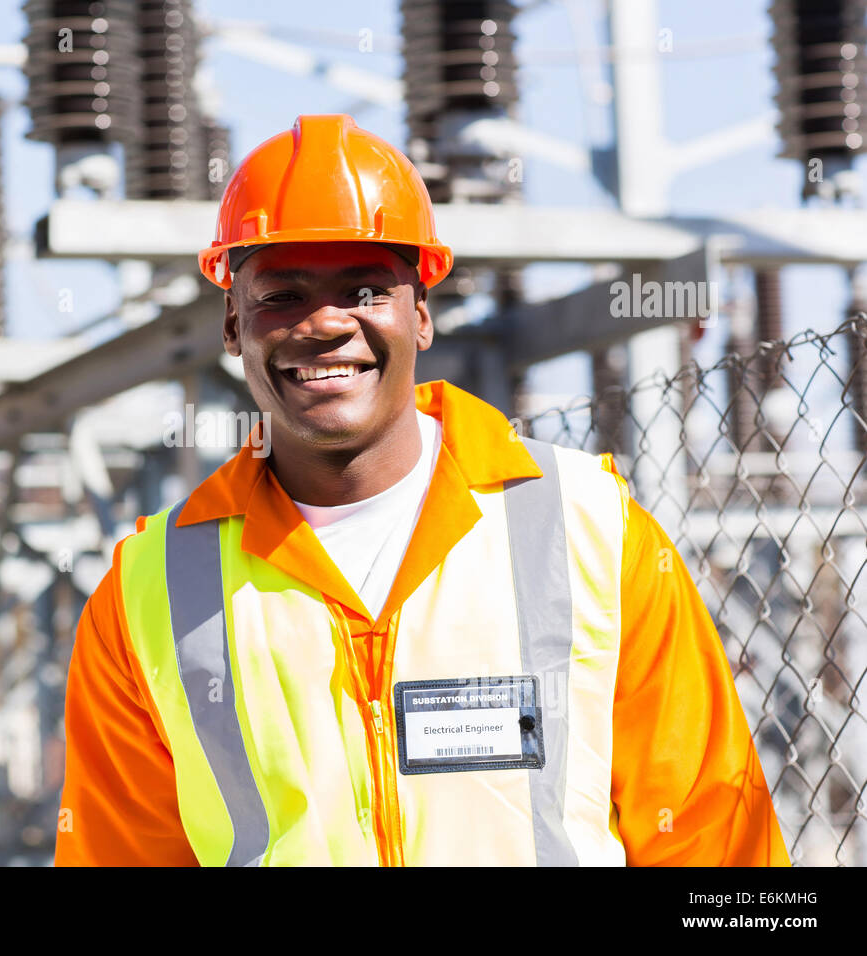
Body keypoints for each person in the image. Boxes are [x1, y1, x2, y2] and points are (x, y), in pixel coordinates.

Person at [54, 114, 789, 866]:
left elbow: (715, 840)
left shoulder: (590, 533)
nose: (325, 324)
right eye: (282, 294)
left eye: (366, 289)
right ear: (233, 323)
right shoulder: (148, 592)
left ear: (422, 314)